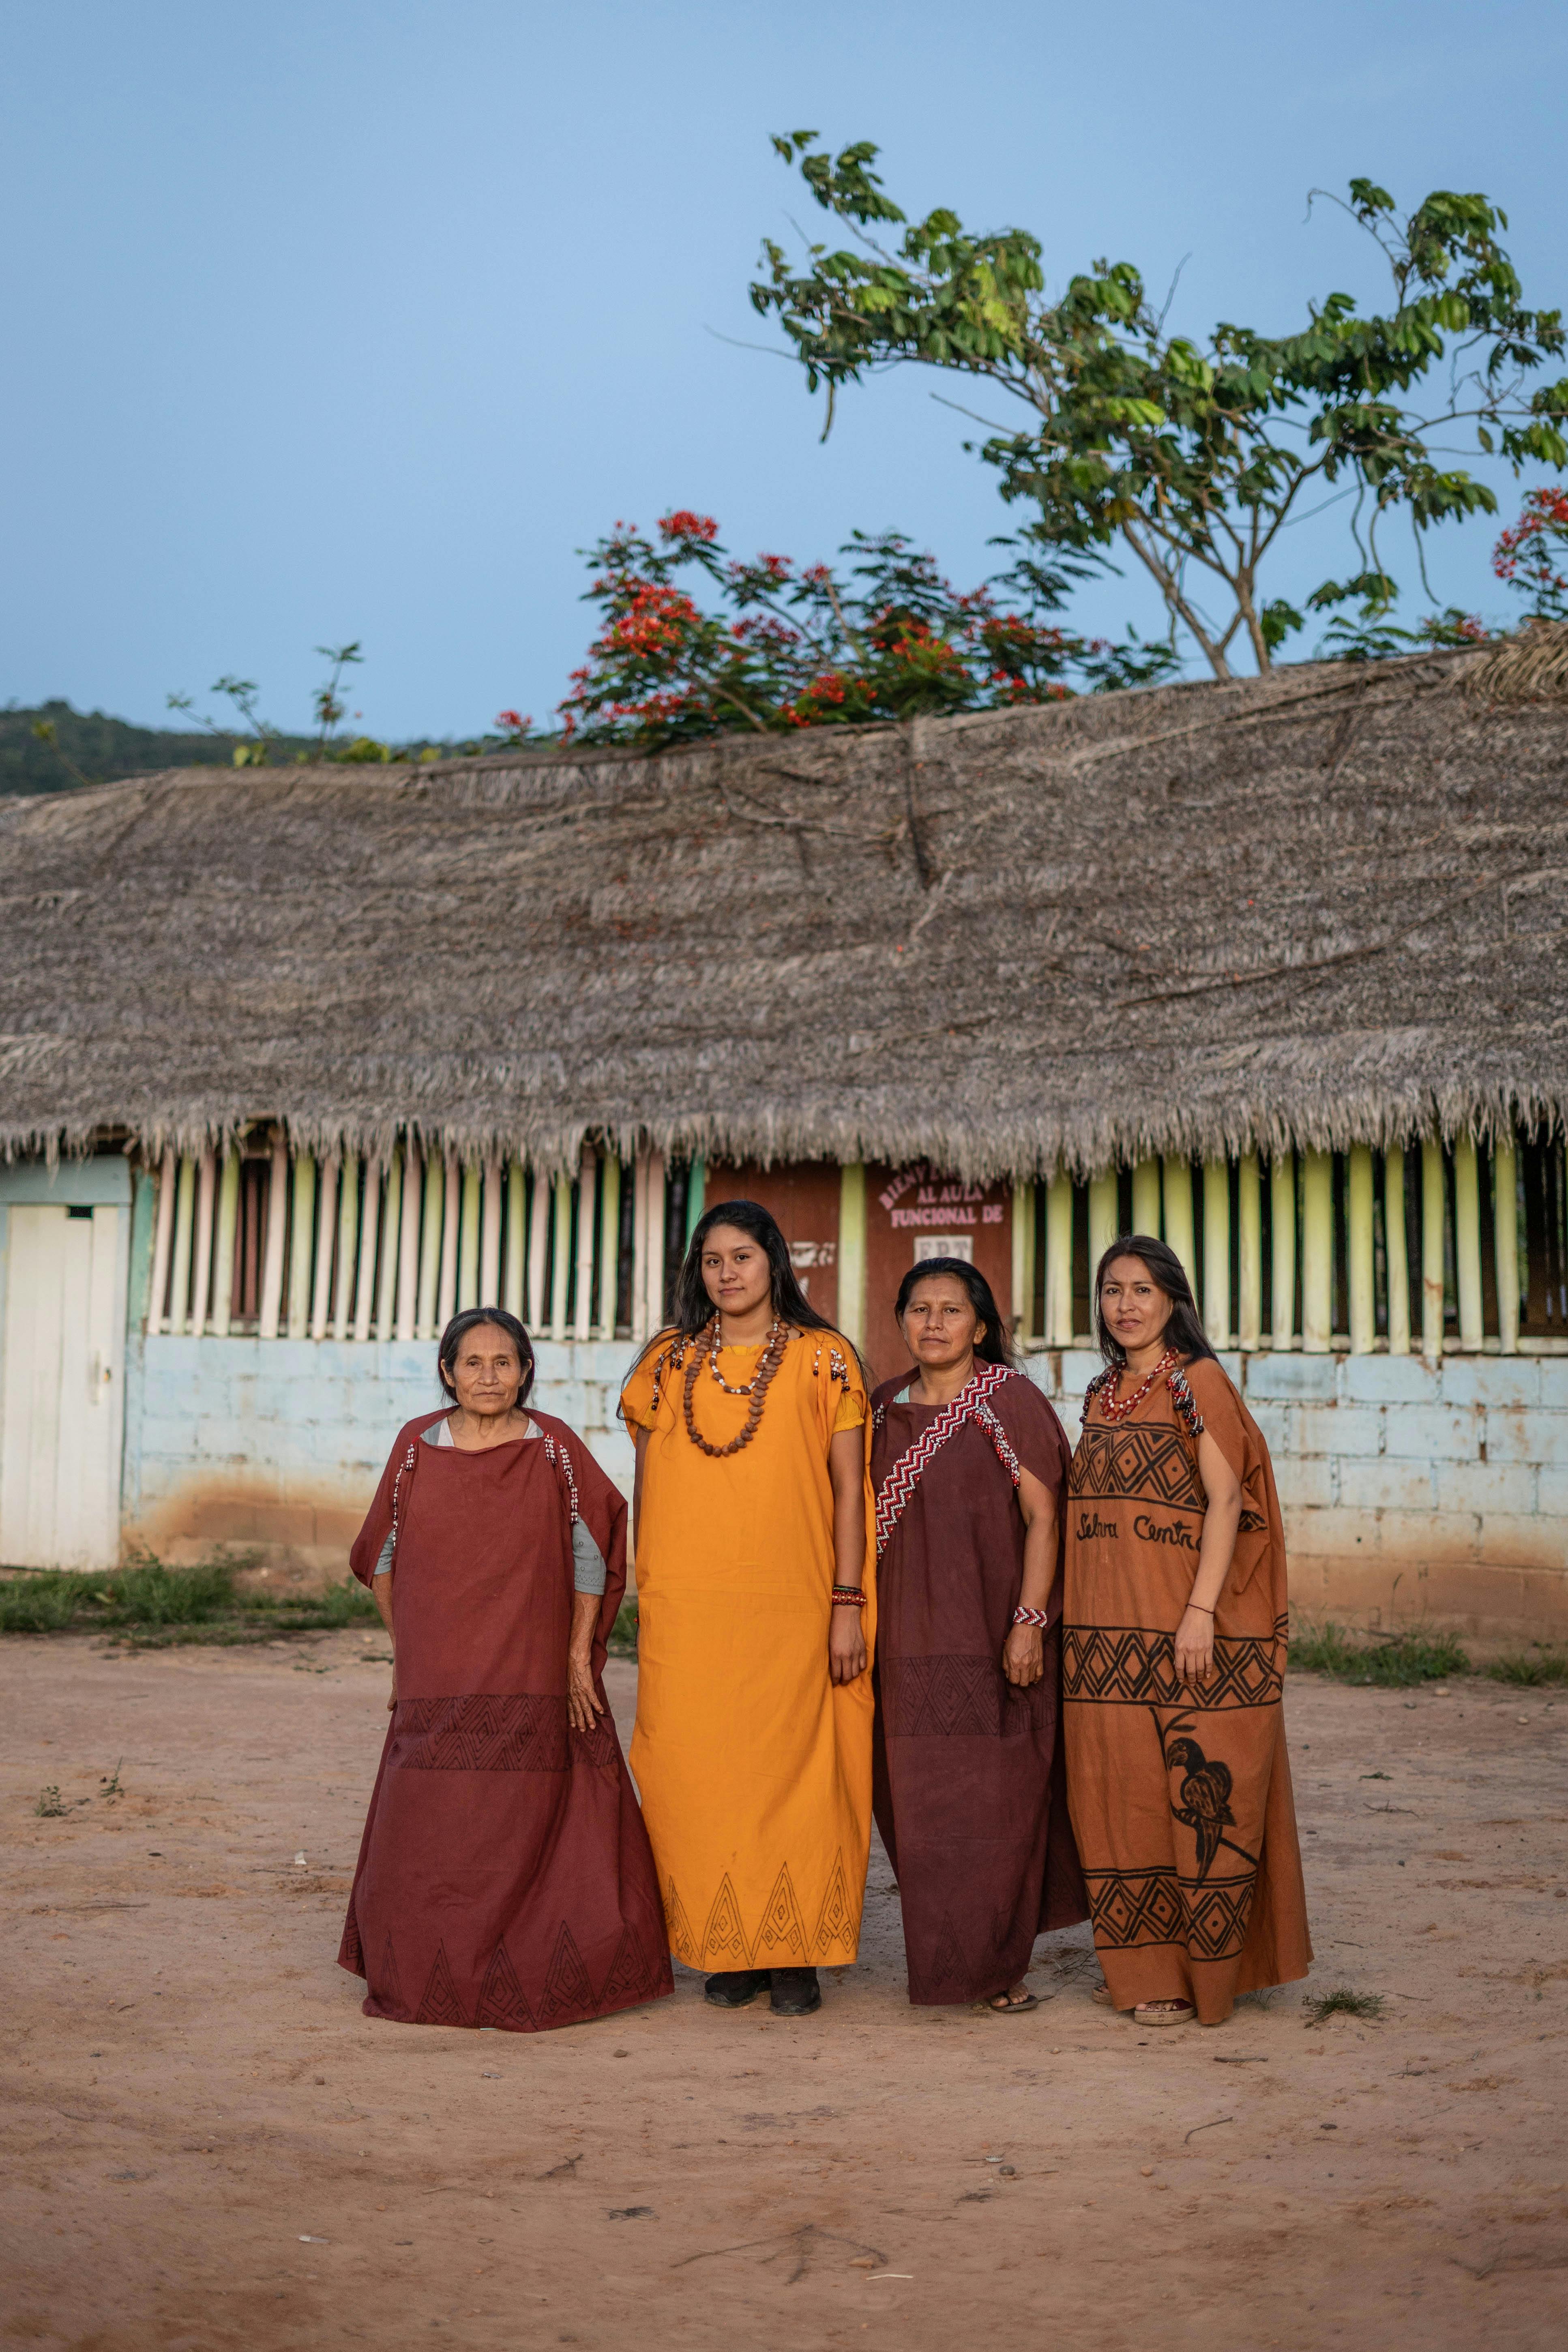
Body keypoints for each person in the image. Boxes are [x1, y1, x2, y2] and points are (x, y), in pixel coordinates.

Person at [339, 1307, 673, 2033]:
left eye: (504, 1362)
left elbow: (594, 1550)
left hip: (534, 1665)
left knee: (539, 1814)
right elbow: (383, 1556)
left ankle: (543, 1964)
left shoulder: (553, 1446)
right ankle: (425, 1968)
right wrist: (409, 1653)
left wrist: (580, 1657)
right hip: (442, 1672)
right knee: (430, 1817)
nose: (488, 1376)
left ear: (526, 1370)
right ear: (446, 1371)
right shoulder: (416, 1446)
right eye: (472, 1362)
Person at [620, 1200, 874, 2018]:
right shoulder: (665, 1363)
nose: (726, 1274)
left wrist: (846, 1599)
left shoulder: (824, 1358)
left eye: (742, 1257)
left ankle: (793, 1951)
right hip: (690, 1613)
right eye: (711, 1260)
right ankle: (724, 1949)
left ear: (774, 1262)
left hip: (794, 1603)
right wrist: (646, 1587)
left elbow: (847, 1490)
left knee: (795, 1775)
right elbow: (650, 1482)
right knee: (698, 1772)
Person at [1064, 1236, 1312, 2027]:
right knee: (1115, 1800)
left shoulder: (1194, 1382)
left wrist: (1201, 1612)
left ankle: (1188, 1975)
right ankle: (1138, 1970)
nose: (1125, 1305)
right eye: (1111, 1290)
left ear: (1174, 1299)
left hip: (1175, 1629)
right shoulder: (1101, 1390)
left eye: (1141, 1289)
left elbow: (1227, 1502)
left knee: (1185, 1805)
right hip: (1099, 1646)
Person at [869, 1258, 1088, 2010]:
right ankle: (945, 1963)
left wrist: (1030, 1623)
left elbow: (1046, 1518)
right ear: (901, 1320)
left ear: (981, 1327)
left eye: (951, 1310)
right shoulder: (877, 1410)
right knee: (919, 1817)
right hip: (901, 1648)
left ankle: (996, 1970)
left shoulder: (1008, 1400)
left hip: (996, 1642)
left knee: (997, 1812)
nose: (934, 1323)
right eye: (920, 1308)